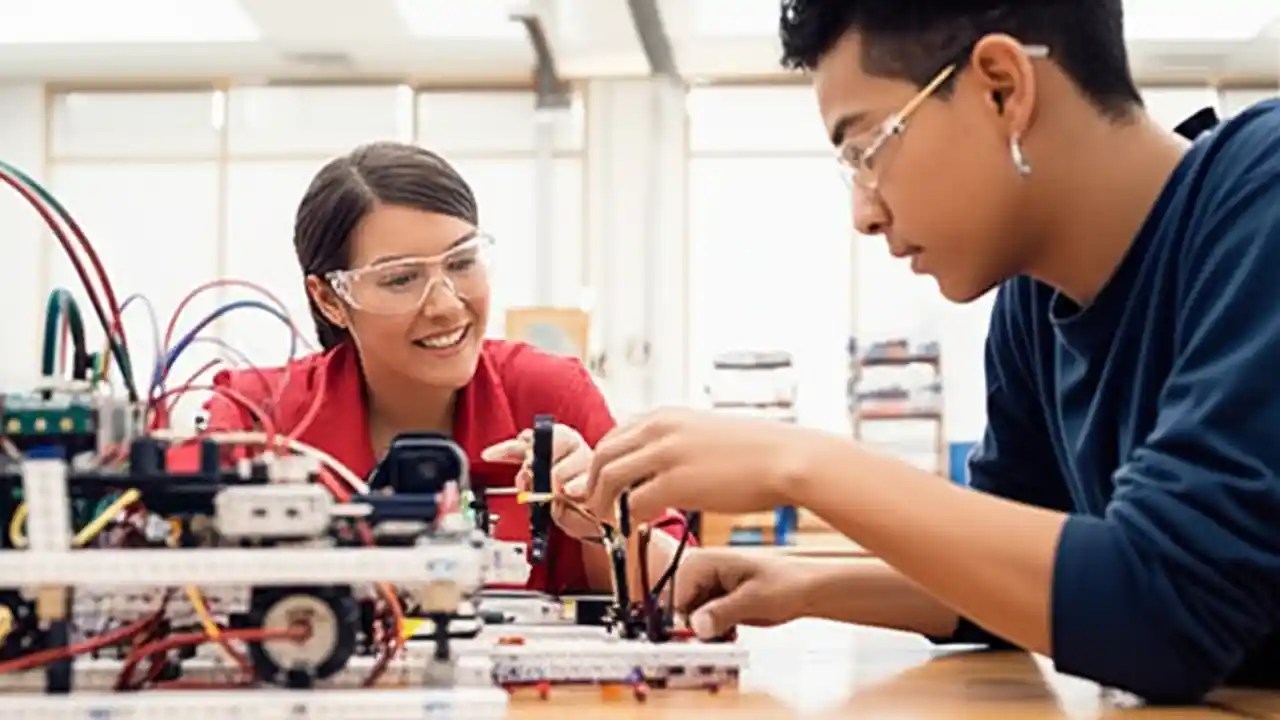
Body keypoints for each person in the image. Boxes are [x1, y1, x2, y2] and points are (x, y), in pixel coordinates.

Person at [583, 0, 1280, 704]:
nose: (864, 213)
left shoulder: (1264, 194)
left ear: (1002, 87)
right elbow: (1013, 580)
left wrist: (796, 464)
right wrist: (807, 584)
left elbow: (1166, 607)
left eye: (867, 150)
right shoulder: (1033, 304)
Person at [187, 141, 689, 595]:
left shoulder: (549, 396)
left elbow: (680, 590)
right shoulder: (256, 418)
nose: (447, 306)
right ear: (329, 300)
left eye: (461, 262)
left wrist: (603, 521)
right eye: (401, 279)